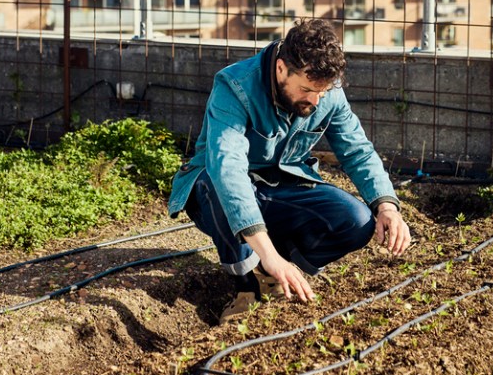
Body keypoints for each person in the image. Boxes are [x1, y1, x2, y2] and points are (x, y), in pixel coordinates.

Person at [169, 18, 411, 323]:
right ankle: (246, 287)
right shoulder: (235, 86)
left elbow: (357, 150)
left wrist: (386, 205)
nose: (314, 100)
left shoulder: (326, 93)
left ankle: (274, 276)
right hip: (217, 195)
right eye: (307, 90)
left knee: (357, 220)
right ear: (282, 68)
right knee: (216, 183)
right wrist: (269, 256)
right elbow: (227, 169)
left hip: (281, 189)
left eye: (321, 93)